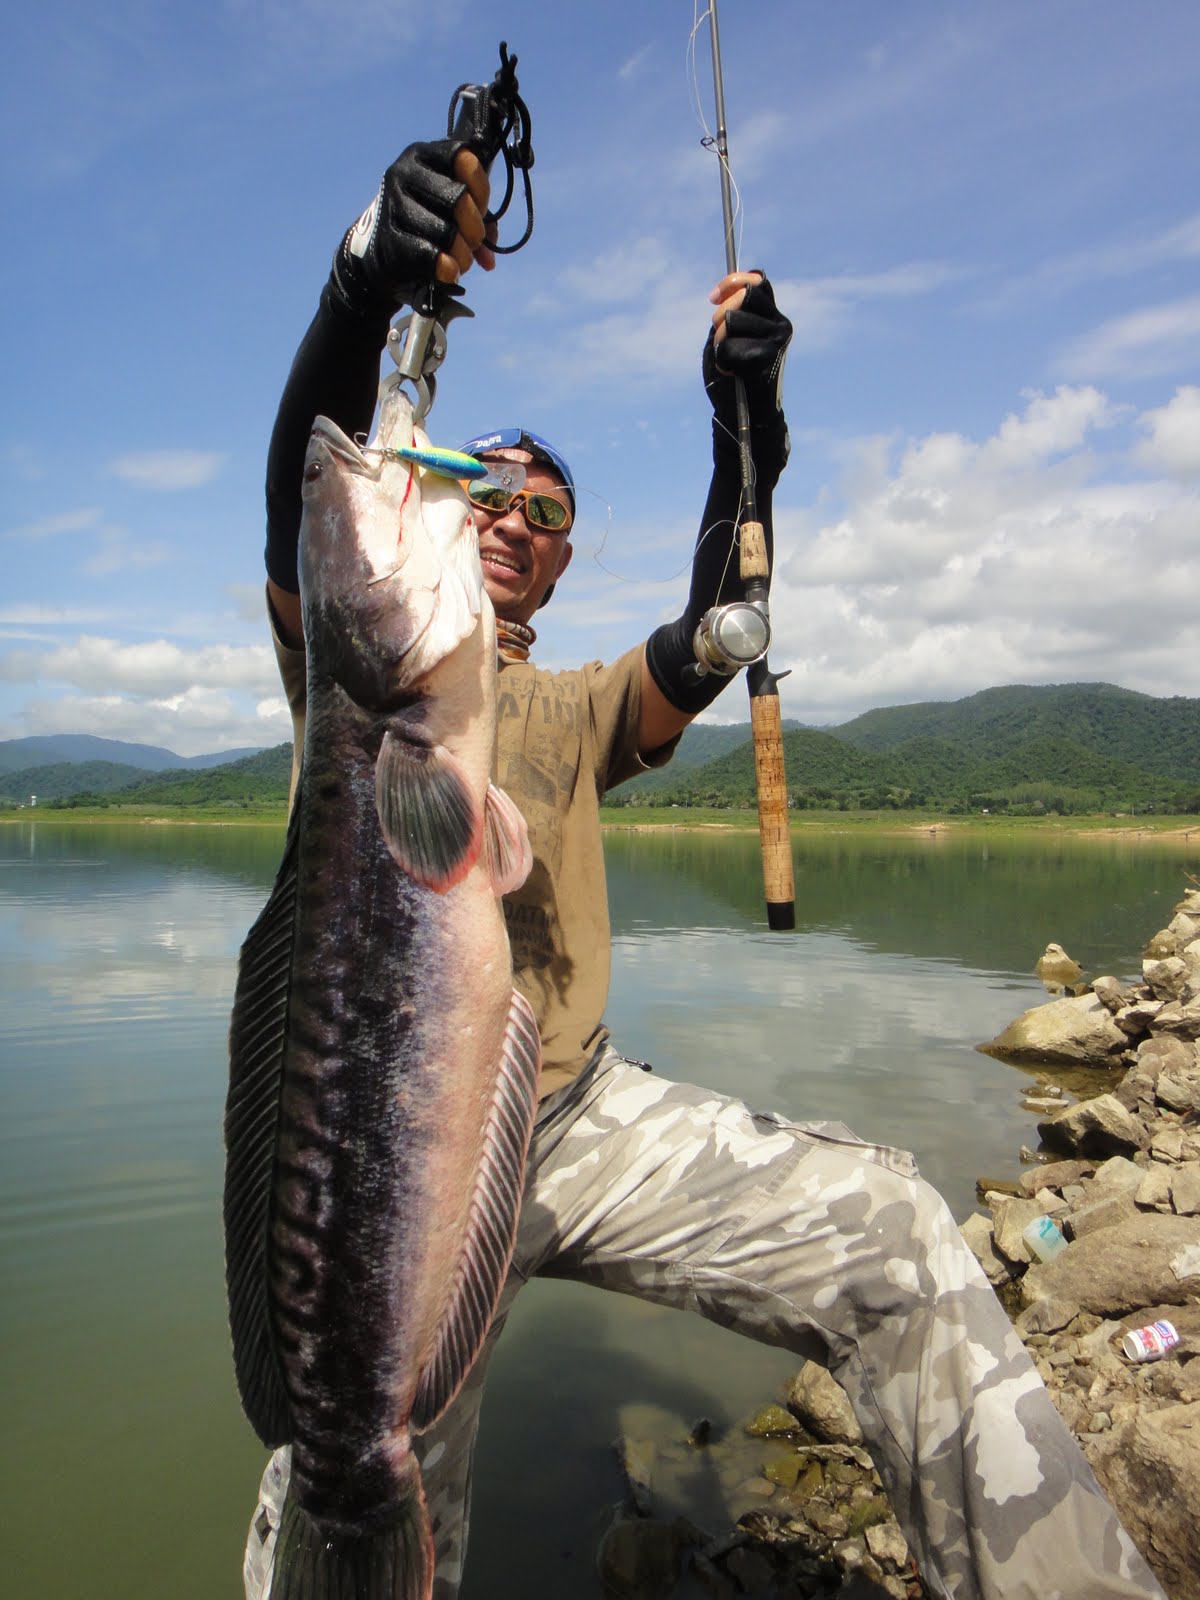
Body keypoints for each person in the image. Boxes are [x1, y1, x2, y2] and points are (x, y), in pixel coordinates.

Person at [243, 139, 1166, 1600]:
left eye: (545, 514)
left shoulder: (582, 709)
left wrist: (753, 429)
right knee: (349, 1464)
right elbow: (314, 498)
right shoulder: (358, 693)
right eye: (485, 485)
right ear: (435, 501)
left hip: (580, 1115)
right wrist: (363, 286)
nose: (510, 516)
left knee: (901, 1239)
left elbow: (717, 624)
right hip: (390, 1170)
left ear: (553, 565)